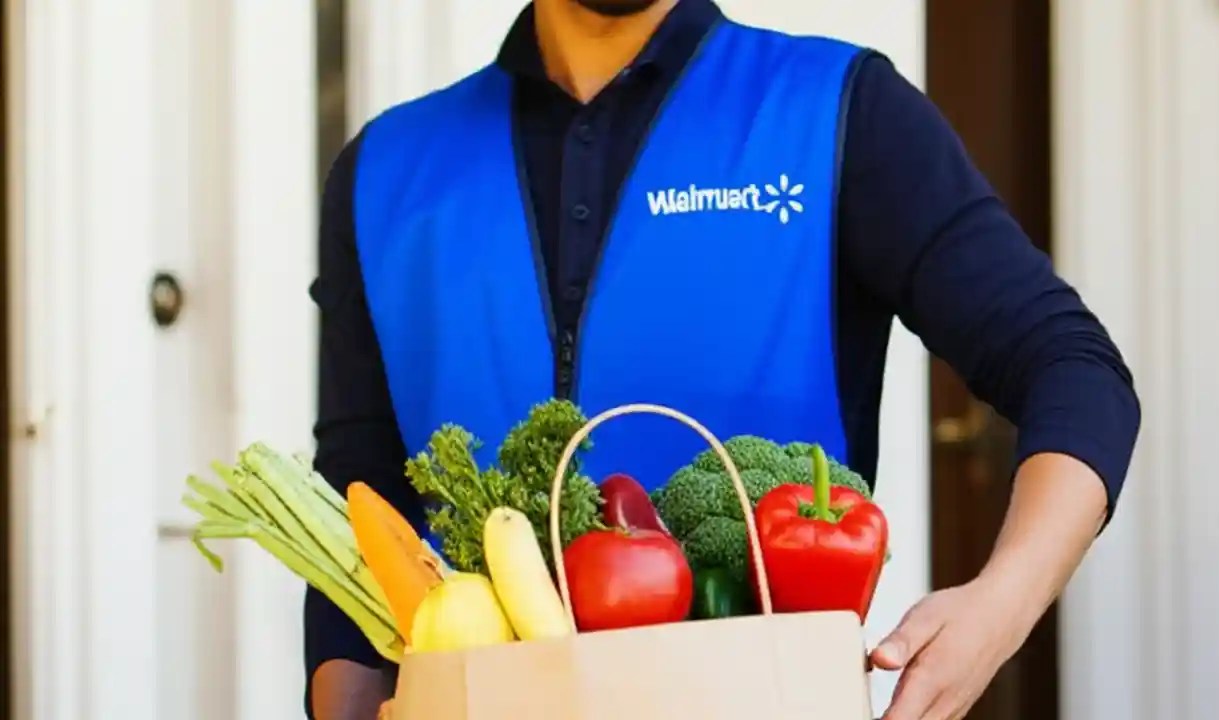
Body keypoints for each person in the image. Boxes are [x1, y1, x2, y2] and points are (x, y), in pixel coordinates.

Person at [305, 0, 1140, 718]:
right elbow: (357, 495)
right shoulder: (385, 173)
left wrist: (998, 611)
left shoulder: (838, 112)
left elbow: (1072, 369)